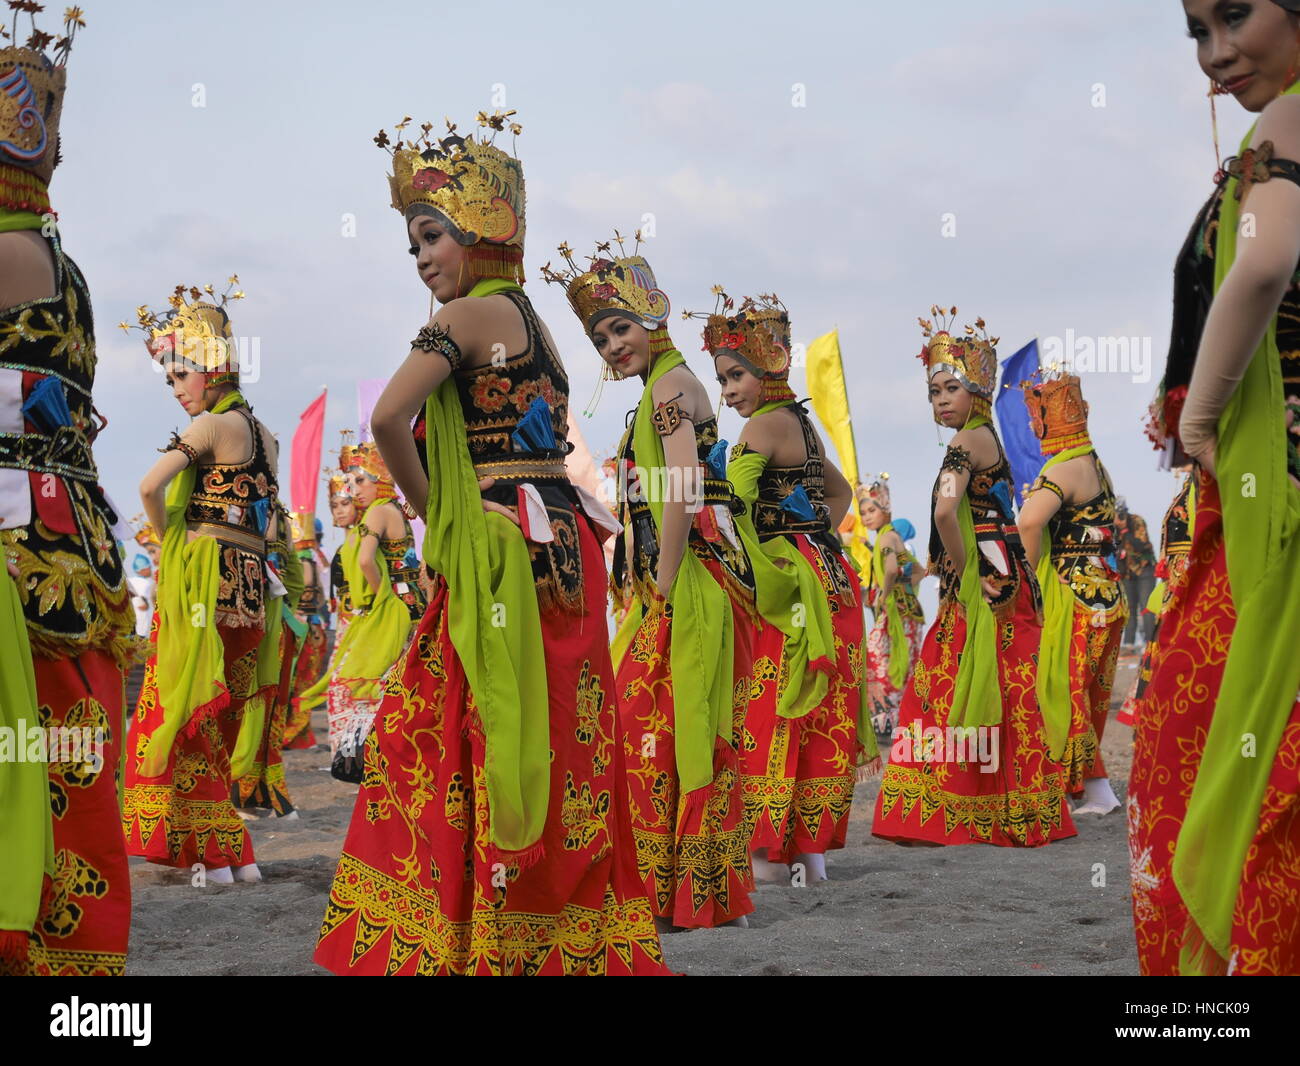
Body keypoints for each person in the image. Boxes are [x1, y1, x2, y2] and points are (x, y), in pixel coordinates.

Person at [314, 113, 668, 974]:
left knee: (445, 728)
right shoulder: (528, 316)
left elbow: (389, 416)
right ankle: (555, 931)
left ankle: (456, 931)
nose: (422, 257)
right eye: (413, 244)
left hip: (505, 547)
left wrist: (442, 514)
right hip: (561, 550)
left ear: (480, 226)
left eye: (431, 234)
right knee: (560, 734)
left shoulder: (474, 314)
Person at [1128, 0, 1300, 976]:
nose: (1216, 52)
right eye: (1196, 30)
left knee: (1215, 745)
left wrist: (1201, 415)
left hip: (1273, 507)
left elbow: (1265, 260)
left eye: (1236, 15)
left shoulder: (1283, 126)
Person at [0, 8, 135, 975]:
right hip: (69, 538)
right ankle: (73, 957)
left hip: (10, 535)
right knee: (64, 749)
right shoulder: (69, 269)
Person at [872, 308, 1074, 848]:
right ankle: (1010, 807)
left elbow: (944, 511)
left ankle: (942, 809)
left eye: (951, 387)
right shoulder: (985, 437)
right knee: (1005, 688)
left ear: (978, 390)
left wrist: (963, 577)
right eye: (934, 390)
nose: (940, 398)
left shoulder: (966, 443)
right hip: (1008, 569)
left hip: (986, 578)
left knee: (948, 682)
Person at [707, 291, 881, 885]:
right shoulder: (803, 425)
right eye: (723, 378)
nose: (729, 390)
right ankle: (811, 855)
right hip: (831, 576)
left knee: (773, 710)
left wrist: (765, 556)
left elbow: (731, 505)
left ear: (768, 367)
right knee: (821, 711)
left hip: (790, 587)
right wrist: (811, 536)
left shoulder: (760, 427)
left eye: (737, 375)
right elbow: (840, 495)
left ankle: (764, 858)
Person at [120, 279, 275, 886]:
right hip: (249, 590)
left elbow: (147, 488)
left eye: (181, 373)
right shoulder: (267, 437)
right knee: (217, 714)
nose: (177, 388)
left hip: (202, 585)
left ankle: (215, 849)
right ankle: (235, 853)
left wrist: (167, 542)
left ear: (211, 366)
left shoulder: (212, 427)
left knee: (181, 712)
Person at [1016, 372, 1126, 817]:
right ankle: (1092, 789)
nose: (1029, 427)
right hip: (1105, 593)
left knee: (1060, 690)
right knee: (1085, 694)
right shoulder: (1095, 464)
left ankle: (1087, 789)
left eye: (1034, 415)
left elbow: (1028, 522)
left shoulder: (1063, 468)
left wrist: (1028, 573)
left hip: (1071, 594)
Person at [297, 439, 424, 782]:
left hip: (390, 611)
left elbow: (367, 559)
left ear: (382, 477)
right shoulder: (394, 510)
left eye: (360, 481)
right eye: (350, 483)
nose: (354, 491)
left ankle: (360, 762)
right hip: (411, 607)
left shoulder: (379, 512)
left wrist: (378, 598)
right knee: (395, 683)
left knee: (355, 685)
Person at [858, 475, 925, 739]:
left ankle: (889, 724)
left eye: (872, 510)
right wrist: (901, 587)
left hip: (895, 614)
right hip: (908, 612)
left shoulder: (886, 540)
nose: (866, 517)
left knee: (877, 663)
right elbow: (919, 571)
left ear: (886, 508)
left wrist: (884, 594)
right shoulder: (892, 537)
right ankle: (901, 722)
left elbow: (889, 570)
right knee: (902, 665)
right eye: (863, 512)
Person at [283, 512, 327, 750]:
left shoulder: (304, 558)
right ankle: (295, 733)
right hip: (307, 624)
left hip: (305, 625)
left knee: (302, 681)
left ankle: (293, 733)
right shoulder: (308, 557)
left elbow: (310, 591)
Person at [1114, 502, 1156, 648]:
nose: (1118, 518)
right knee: (1129, 609)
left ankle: (1151, 643)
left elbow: (1142, 546)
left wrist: (1125, 530)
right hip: (1126, 573)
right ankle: (1129, 644)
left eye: (1120, 514)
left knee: (1146, 606)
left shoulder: (1136, 521)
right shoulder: (1113, 528)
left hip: (1145, 570)